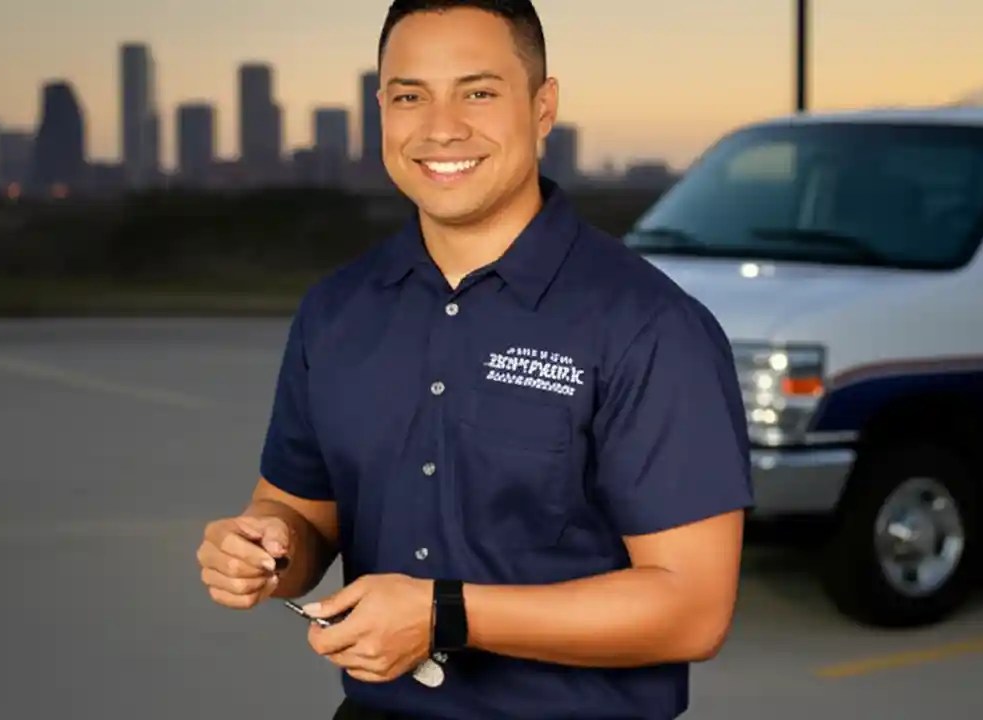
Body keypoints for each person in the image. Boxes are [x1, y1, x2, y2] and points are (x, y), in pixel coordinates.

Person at [195, 1, 754, 717]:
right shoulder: (336, 312)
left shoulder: (649, 326)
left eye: (478, 92)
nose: (441, 128)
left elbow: (693, 610)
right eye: (410, 97)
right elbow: (299, 514)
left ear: (543, 108)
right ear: (381, 111)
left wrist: (445, 615)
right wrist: (266, 550)